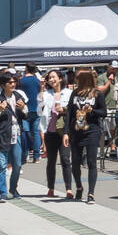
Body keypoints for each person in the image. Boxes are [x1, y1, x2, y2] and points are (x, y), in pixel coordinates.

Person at [65, 68, 106, 203]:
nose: (76, 80)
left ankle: (91, 193)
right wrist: (65, 132)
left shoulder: (97, 94)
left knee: (91, 161)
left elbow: (103, 112)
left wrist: (92, 110)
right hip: (76, 131)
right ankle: (79, 186)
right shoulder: (74, 93)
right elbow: (69, 113)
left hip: (92, 131)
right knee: (75, 162)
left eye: (78, 78)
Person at [0, 72, 27, 202]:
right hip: (2, 136)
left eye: (14, 82)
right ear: (2, 85)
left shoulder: (19, 97)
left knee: (17, 164)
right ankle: (3, 192)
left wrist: (24, 108)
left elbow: (26, 115)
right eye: (10, 82)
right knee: (2, 165)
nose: (13, 84)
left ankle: (13, 188)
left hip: (16, 135)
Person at [40, 69, 72, 199]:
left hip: (64, 131)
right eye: (49, 78)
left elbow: (73, 110)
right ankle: (51, 188)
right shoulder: (46, 94)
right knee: (51, 161)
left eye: (53, 77)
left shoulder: (69, 93)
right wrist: (41, 89)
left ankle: (68, 189)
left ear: (60, 78)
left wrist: (63, 110)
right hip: (50, 131)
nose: (51, 79)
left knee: (65, 159)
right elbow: (39, 109)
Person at [18, 63, 43, 164]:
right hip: (37, 109)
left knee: (26, 132)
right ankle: (36, 156)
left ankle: (26, 154)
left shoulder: (21, 81)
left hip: (25, 109)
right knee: (36, 133)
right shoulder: (38, 81)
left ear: (26, 69)